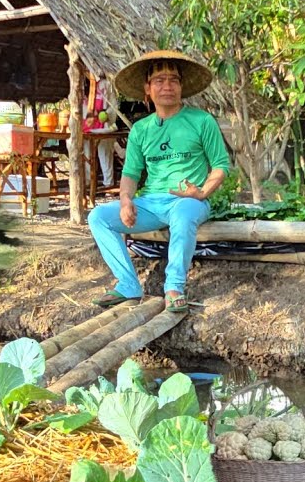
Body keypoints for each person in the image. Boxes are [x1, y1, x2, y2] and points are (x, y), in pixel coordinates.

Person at [87, 50, 229, 314]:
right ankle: (128, 284)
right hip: (151, 203)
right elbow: (130, 174)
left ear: (182, 87)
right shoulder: (141, 129)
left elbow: (220, 165)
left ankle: (174, 287)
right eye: (160, 80)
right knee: (98, 217)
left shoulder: (201, 121)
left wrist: (202, 192)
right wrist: (126, 200)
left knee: (184, 213)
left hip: (188, 202)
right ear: (147, 89)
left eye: (173, 80)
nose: (167, 86)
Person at [82, 111, 117, 186]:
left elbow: (111, 111)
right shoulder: (82, 102)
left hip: (104, 129)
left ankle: (108, 185)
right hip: (86, 130)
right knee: (85, 157)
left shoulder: (106, 100)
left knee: (105, 157)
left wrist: (105, 115)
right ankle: (87, 183)